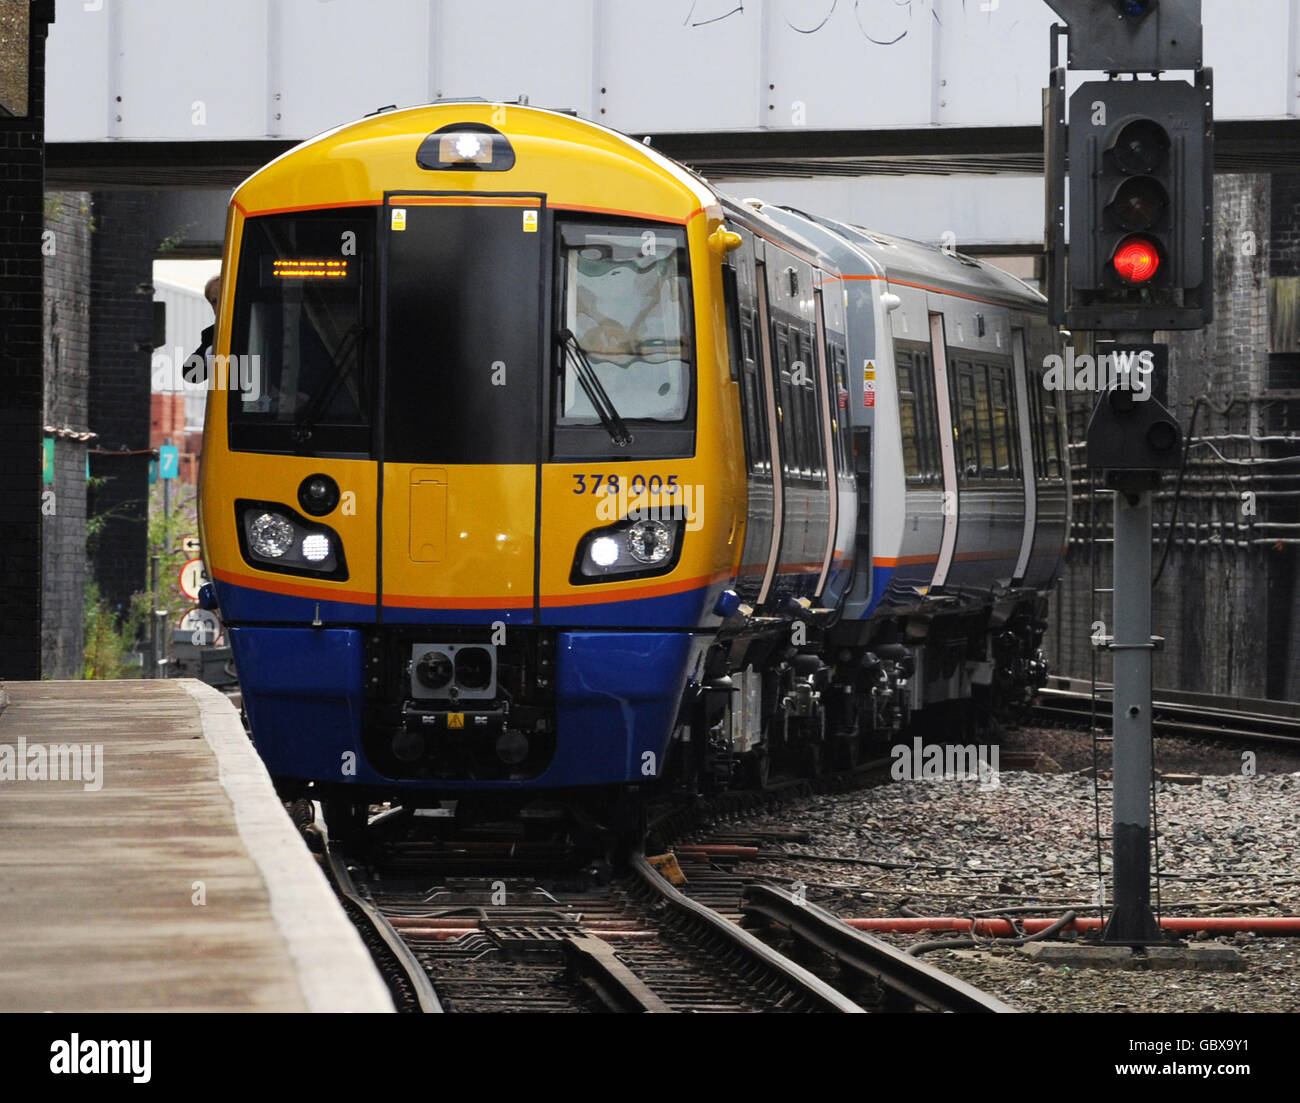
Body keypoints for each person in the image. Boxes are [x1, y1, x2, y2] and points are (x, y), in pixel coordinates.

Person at [183, 275, 221, 385]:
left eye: (224, 298)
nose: (220, 306)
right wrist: (211, 352)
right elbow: (190, 373)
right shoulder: (212, 335)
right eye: (214, 302)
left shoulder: (260, 323)